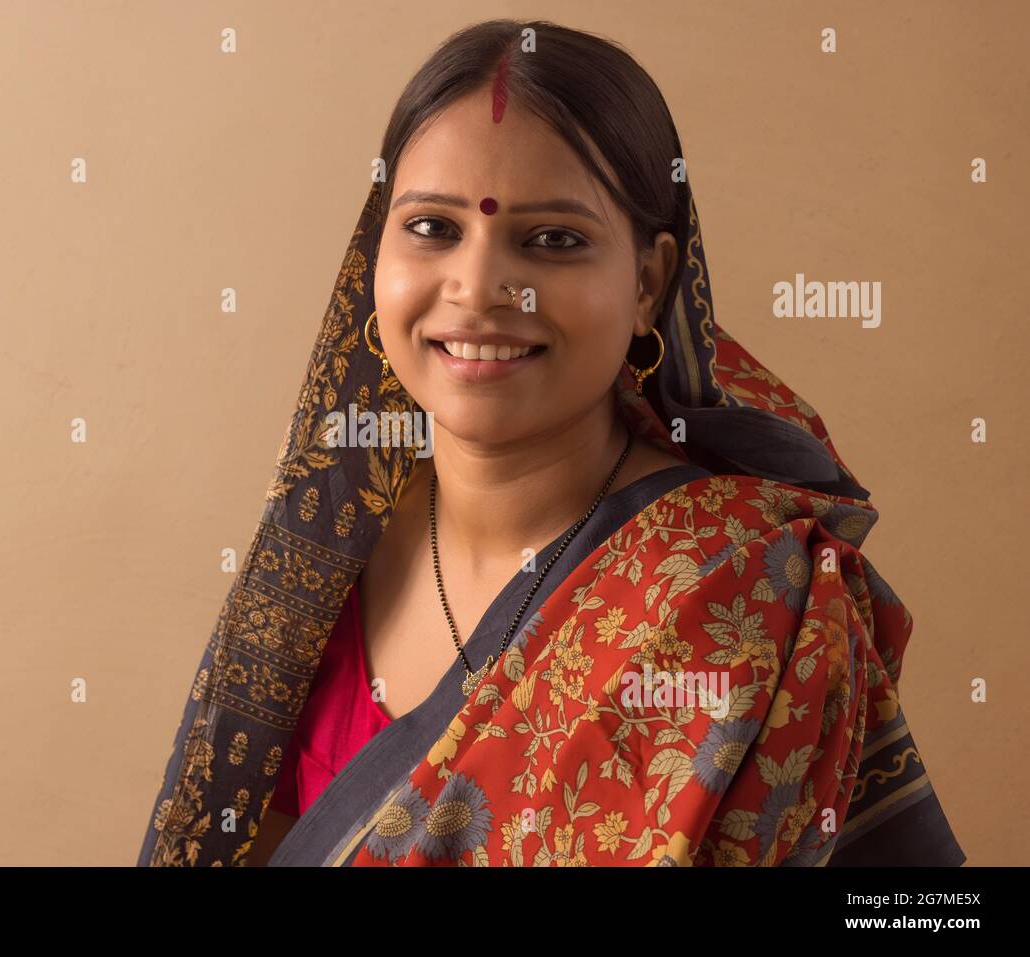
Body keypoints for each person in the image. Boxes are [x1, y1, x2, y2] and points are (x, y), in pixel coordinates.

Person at [137, 18, 965, 867]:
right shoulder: (330, 545)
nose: (480, 286)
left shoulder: (744, 593)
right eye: (432, 227)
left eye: (553, 240)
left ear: (648, 283)